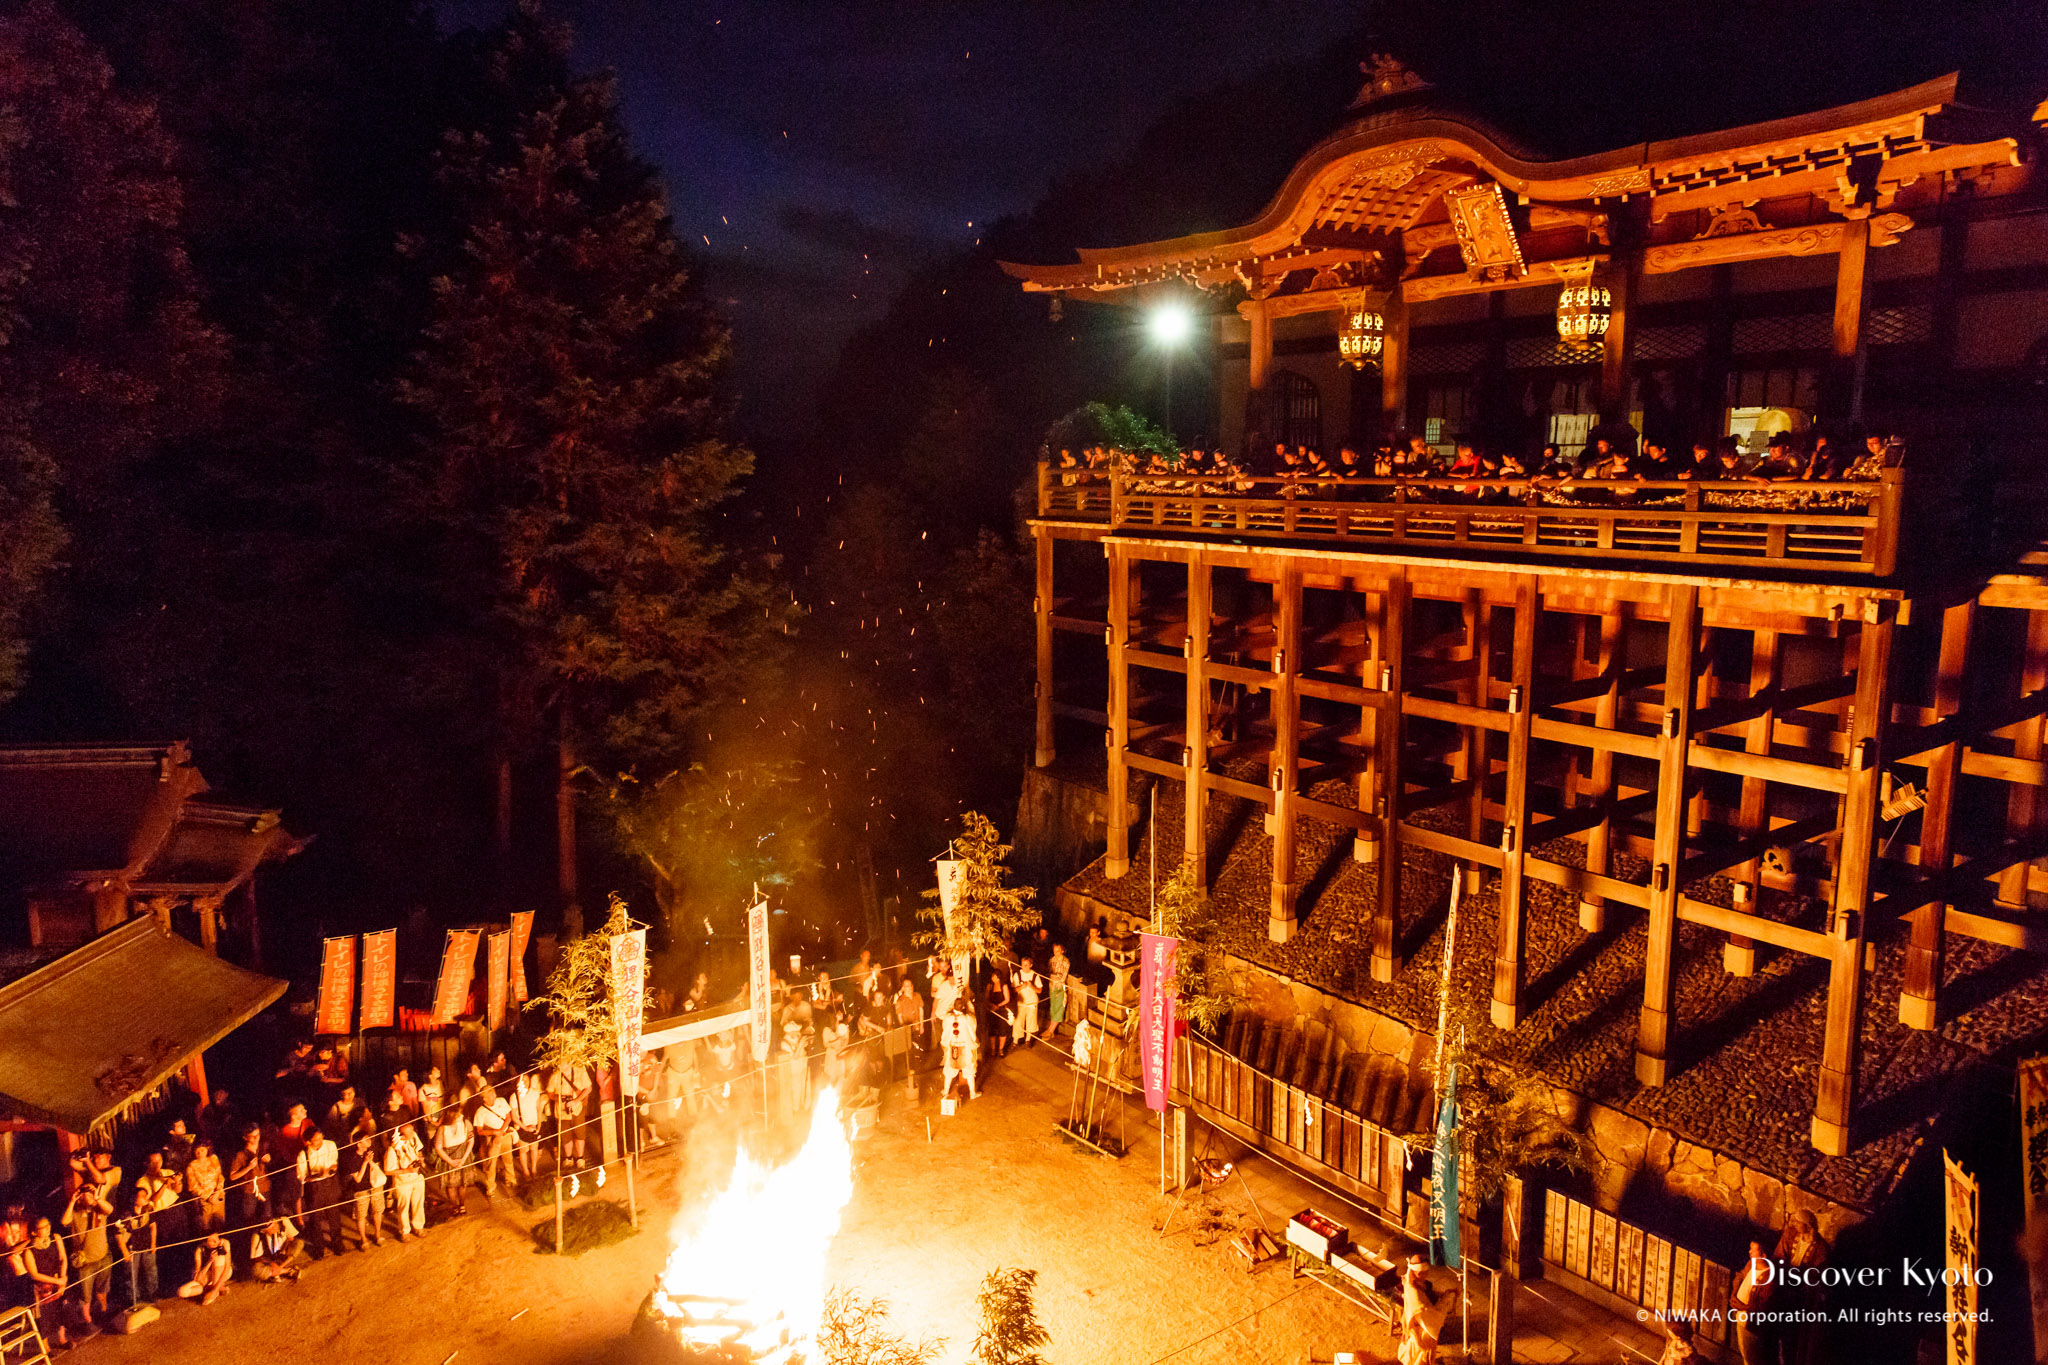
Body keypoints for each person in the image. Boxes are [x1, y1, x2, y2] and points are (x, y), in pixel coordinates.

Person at [61, 1180, 114, 1330]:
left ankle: (103, 1312)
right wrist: (73, 1201)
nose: (87, 1196)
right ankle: (88, 1320)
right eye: (84, 1194)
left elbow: (110, 1209)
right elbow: (64, 1221)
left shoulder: (99, 1208)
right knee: (85, 1296)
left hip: (103, 1257)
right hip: (86, 1263)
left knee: (102, 1290)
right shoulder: (75, 1212)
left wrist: (96, 1198)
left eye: (89, 1192)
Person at [21, 1217, 69, 1349]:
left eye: (48, 1225)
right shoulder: (29, 1251)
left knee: (61, 1311)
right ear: (34, 1232)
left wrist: (63, 1278)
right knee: (44, 1319)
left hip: (58, 1282)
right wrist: (57, 1281)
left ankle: (62, 1339)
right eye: (43, 1227)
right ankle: (45, 1348)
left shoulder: (56, 1238)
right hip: (41, 1288)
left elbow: (63, 1258)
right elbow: (35, 1274)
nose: (48, 1228)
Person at [296, 1125, 341, 1256]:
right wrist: (319, 1175)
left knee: (334, 1217)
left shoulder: (330, 1145)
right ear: (308, 1141)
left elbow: (334, 1162)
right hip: (314, 1188)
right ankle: (319, 1249)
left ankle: (338, 1245)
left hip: (330, 1184)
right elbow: (302, 1177)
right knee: (315, 1220)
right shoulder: (303, 1155)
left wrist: (330, 1170)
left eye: (321, 1138)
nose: (321, 1141)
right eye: (317, 1139)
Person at [1729, 1237, 1775, 1365]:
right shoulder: (1751, 1264)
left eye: (1753, 1251)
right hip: (1741, 1318)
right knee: (1744, 1353)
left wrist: (1743, 1306)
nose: (1749, 1252)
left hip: (1751, 1325)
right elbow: (1739, 1277)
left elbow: (1762, 1306)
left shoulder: (1770, 1278)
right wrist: (1734, 1294)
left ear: (1763, 1255)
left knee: (1751, 1357)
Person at [383, 1119, 428, 1241]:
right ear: (401, 1135)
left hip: (417, 1177)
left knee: (418, 1203)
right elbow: (387, 1171)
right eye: (410, 1132)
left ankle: (418, 1226)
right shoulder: (392, 1150)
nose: (413, 1133)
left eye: (413, 1131)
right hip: (403, 1181)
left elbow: (418, 1151)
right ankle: (404, 1231)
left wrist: (421, 1159)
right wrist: (407, 1170)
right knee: (403, 1206)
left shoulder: (413, 1138)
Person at [113, 1187, 158, 1309]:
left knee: (151, 1271)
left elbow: (153, 1226)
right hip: (132, 1250)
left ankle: (152, 1295)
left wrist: (153, 1243)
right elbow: (118, 1234)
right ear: (134, 1198)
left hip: (147, 1247)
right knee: (131, 1275)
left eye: (146, 1195)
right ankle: (134, 1299)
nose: (145, 1198)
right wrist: (124, 1251)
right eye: (141, 1196)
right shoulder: (125, 1215)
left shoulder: (148, 1209)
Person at [1397, 1255, 1446, 1365]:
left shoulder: (1412, 1282)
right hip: (1420, 1329)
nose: (1427, 1274)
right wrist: (1443, 1306)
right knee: (1419, 1356)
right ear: (1419, 1273)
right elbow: (1423, 1310)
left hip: (1414, 1324)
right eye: (1426, 1272)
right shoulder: (1413, 1290)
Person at [342, 1129, 386, 1249]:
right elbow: (358, 1179)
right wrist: (365, 1162)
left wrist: (371, 1162)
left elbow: (377, 1169)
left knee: (378, 1211)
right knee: (361, 1215)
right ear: (358, 1143)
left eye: (369, 1138)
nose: (369, 1141)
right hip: (361, 1189)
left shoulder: (372, 1152)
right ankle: (363, 1239)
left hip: (375, 1186)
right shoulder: (351, 1158)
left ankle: (377, 1235)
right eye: (365, 1140)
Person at [431, 1101, 474, 1214]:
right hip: (448, 1157)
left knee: (463, 1183)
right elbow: (438, 1147)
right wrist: (450, 1161)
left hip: (463, 1155)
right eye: (459, 1114)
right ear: (452, 1117)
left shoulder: (466, 1123)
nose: (462, 1115)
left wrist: (463, 1159)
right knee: (451, 1185)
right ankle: (454, 1206)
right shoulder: (442, 1129)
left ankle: (462, 1205)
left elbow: (471, 1141)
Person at [472, 1083, 513, 1196]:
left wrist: (499, 1133)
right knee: (491, 1164)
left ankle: (510, 1179)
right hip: (491, 1139)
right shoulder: (480, 1111)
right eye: (490, 1094)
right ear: (484, 1098)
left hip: (504, 1135)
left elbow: (509, 1118)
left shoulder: (501, 1101)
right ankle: (490, 1187)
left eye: (493, 1092)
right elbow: (479, 1131)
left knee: (508, 1159)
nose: (493, 1095)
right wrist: (494, 1133)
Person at [228, 1126, 270, 1230]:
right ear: (245, 1138)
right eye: (253, 1136)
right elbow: (232, 1176)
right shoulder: (241, 1155)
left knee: (268, 1216)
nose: (256, 1138)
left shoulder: (262, 1149)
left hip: (264, 1187)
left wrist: (269, 1160)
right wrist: (248, 1168)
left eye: (258, 1135)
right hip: (249, 1190)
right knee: (250, 1219)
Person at [512, 1069, 548, 1184]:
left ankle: (533, 1169)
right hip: (523, 1127)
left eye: (527, 1080)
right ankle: (526, 1172)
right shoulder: (514, 1096)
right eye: (523, 1081)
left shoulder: (534, 1093)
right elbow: (514, 1116)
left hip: (534, 1126)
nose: (525, 1083)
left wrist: (538, 1125)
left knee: (534, 1149)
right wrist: (524, 1127)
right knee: (523, 1151)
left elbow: (538, 1110)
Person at [175, 1233, 232, 1306]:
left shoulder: (224, 1243)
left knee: (218, 1257)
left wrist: (215, 1290)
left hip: (223, 1273)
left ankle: (215, 1290)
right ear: (206, 1242)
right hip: (205, 1279)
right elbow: (199, 1276)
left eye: (216, 1239)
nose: (216, 1242)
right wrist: (210, 1261)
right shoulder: (200, 1249)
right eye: (212, 1241)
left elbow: (227, 1268)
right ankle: (216, 1287)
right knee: (181, 1291)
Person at [940, 999, 979, 1101]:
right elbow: (972, 1026)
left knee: (949, 1070)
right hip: (965, 1047)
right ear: (963, 1007)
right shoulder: (967, 1019)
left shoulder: (948, 1018)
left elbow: (945, 1030)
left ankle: (945, 1091)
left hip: (952, 1047)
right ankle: (972, 1093)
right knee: (969, 1071)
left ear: (954, 1006)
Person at [186, 1139, 226, 1232]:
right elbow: (193, 1186)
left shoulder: (213, 1159)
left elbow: (220, 1176)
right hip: (204, 1200)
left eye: (202, 1150)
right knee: (206, 1226)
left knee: (220, 1223)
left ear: (207, 1149)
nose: (200, 1153)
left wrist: (216, 1193)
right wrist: (207, 1197)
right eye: (197, 1151)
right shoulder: (192, 1166)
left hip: (218, 1196)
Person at [248, 1216, 302, 1284]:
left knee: (299, 1243)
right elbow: (255, 1258)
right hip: (268, 1261)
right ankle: (287, 1271)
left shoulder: (283, 1222)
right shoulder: (257, 1236)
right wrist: (271, 1263)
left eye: (275, 1224)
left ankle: (277, 1271)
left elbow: (292, 1239)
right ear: (263, 1231)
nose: (275, 1227)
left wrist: (286, 1248)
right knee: (255, 1270)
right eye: (272, 1228)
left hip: (282, 1256)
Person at [1042, 945, 1070, 1042]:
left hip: (1060, 987)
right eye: (1054, 951)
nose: (1056, 953)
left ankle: (1051, 1031)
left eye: (1058, 951)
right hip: (1052, 986)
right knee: (1053, 1008)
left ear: (1062, 951)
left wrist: (1056, 977)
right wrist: (1053, 977)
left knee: (1059, 1009)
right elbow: (1049, 973)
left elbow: (1063, 977)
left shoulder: (1066, 962)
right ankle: (1050, 1029)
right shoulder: (1052, 960)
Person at [1014, 957, 1041, 1046]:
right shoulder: (1017, 974)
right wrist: (1022, 986)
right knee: (1018, 1022)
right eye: (1023, 965)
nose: (1024, 967)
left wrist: (1031, 986)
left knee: (1031, 1021)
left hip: (1032, 1002)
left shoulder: (1035, 975)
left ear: (1031, 965)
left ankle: (1028, 1040)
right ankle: (1015, 1041)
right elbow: (1015, 989)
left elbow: (1039, 990)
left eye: (1026, 965)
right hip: (1021, 1003)